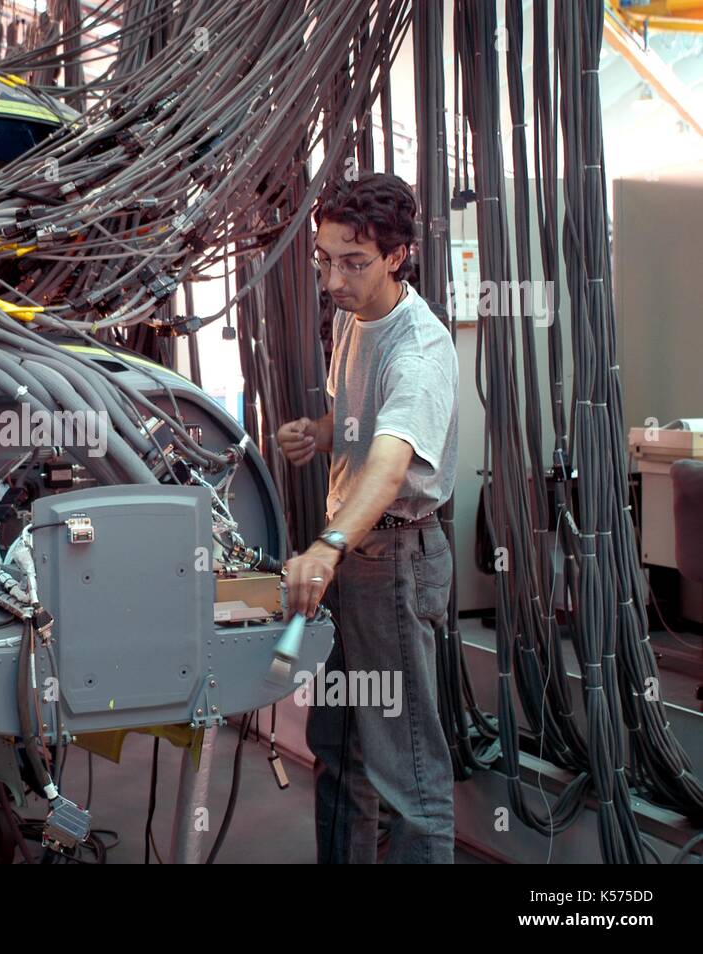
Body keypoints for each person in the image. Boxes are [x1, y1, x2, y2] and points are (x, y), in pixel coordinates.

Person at [277, 171, 458, 864]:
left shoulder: (419, 350)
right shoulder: (355, 321)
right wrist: (320, 434)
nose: (334, 279)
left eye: (354, 263)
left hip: (395, 565)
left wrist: (325, 546)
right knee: (339, 751)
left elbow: (389, 463)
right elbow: (362, 422)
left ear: (396, 256)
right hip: (355, 562)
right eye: (326, 259)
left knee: (407, 773)